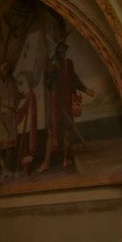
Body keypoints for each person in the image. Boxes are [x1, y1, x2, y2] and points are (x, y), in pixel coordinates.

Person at [40, 41, 94, 171]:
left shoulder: (68, 64)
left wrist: (86, 90)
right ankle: (46, 162)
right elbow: (47, 82)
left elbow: (74, 79)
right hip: (56, 103)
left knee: (67, 131)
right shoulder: (51, 65)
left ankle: (66, 158)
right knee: (51, 132)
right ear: (57, 53)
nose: (63, 54)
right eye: (61, 52)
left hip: (67, 102)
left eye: (64, 51)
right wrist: (50, 76)